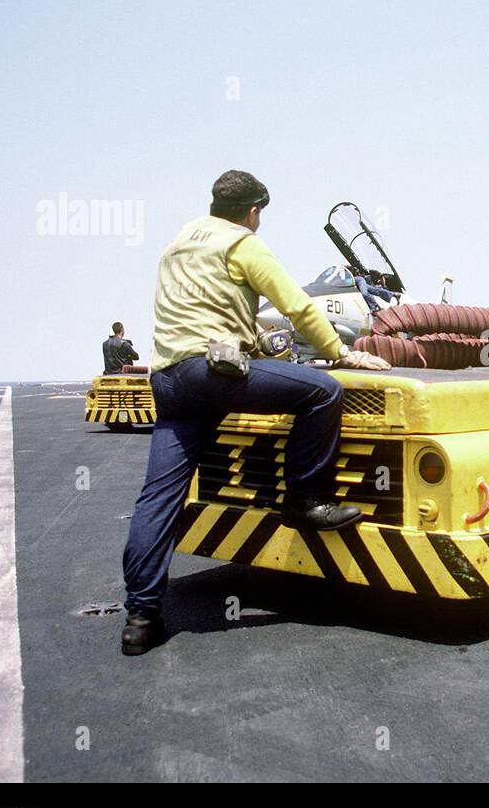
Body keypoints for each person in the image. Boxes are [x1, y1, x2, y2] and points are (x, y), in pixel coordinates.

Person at [120, 170, 391, 656]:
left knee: (157, 499)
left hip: (168, 380)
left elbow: (200, 311)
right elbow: (299, 307)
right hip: (211, 374)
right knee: (323, 391)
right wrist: (340, 352)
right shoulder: (243, 245)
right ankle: (304, 499)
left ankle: (140, 619)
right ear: (253, 211)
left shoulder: (179, 242)